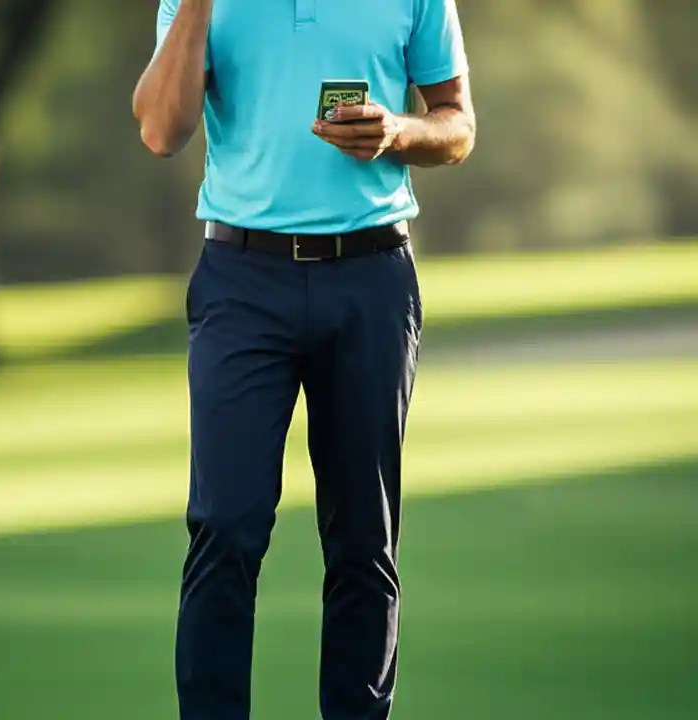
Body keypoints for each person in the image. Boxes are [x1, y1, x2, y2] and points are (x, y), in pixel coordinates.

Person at [132, 1, 475, 718]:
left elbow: (457, 123)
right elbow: (162, 130)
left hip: (372, 275)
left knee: (362, 541)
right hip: (242, 279)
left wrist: (398, 131)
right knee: (225, 528)